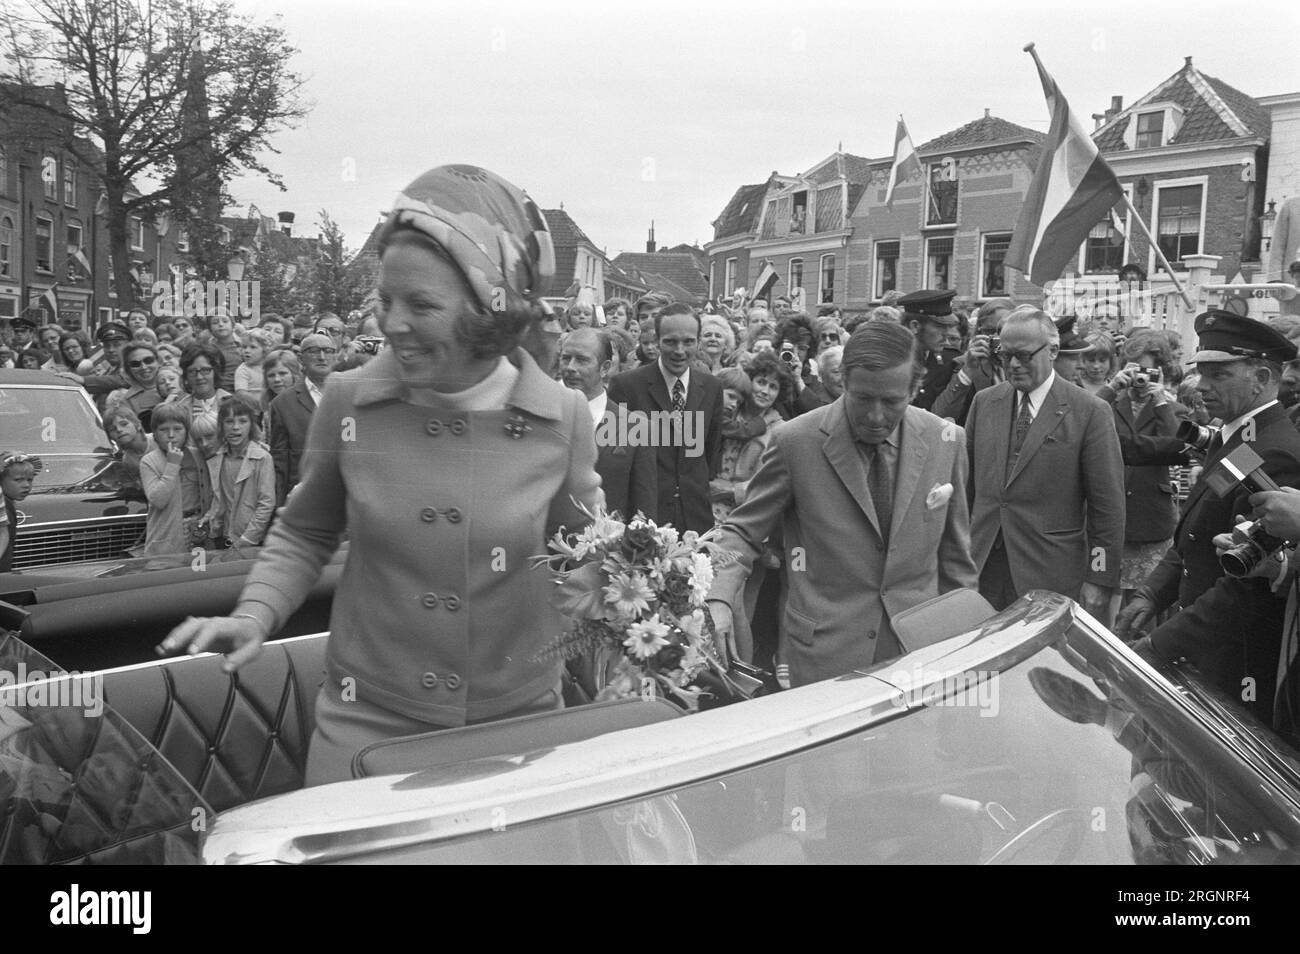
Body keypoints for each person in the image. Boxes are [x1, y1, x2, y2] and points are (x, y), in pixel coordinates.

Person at [160, 163, 599, 786]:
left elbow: (580, 558)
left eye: (420, 305)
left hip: (517, 728)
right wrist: (254, 613)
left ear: (488, 314)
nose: (391, 323)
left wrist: (619, 628)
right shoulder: (349, 400)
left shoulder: (562, 417)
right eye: (386, 300)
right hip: (367, 725)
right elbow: (305, 531)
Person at [707, 322, 978, 686]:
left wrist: (966, 644)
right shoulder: (796, 441)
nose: (877, 416)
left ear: (916, 388)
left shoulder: (947, 441)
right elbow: (744, 530)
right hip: (824, 658)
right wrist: (719, 598)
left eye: (893, 402)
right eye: (863, 399)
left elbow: (956, 560)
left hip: (919, 655)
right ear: (844, 381)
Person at [1119, 311, 1300, 723]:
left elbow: (1245, 586)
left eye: (1219, 375)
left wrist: (1158, 645)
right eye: (1202, 373)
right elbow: (1199, 530)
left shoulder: (1274, 450)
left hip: (1234, 662)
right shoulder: (1241, 440)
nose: (1201, 387)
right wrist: (1153, 592)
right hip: (1205, 646)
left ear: (1262, 377)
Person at [965, 307, 1125, 622]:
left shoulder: (1089, 412)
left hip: (1050, 573)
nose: (1012, 364)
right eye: (1004, 354)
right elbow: (967, 489)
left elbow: (1107, 507)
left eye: (1023, 356)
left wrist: (1099, 577)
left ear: (1053, 351)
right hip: (982, 568)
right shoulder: (985, 402)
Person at [607, 302, 725, 534]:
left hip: (695, 520)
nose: (679, 351)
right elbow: (617, 459)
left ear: (698, 341)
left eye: (688, 342)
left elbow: (710, 454)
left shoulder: (712, 387)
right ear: (657, 340)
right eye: (671, 341)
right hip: (645, 521)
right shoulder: (627, 386)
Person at [557, 327, 655, 520]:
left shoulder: (636, 427)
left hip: (608, 544)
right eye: (566, 358)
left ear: (605, 367)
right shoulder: (542, 417)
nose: (570, 367)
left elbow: (644, 507)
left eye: (582, 360)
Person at [268, 331, 334, 506]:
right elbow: (280, 464)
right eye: (314, 351)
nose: (322, 357)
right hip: (302, 499)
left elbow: (350, 441)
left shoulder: (347, 395)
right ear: (301, 358)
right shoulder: (282, 404)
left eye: (328, 351)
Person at [201, 396, 276, 551]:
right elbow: (219, 499)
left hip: (249, 541)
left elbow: (266, 503)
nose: (236, 427)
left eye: (242, 421)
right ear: (221, 426)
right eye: (229, 422)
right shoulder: (217, 458)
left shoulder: (262, 458)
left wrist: (247, 539)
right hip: (221, 536)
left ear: (251, 425)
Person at [139, 402, 210, 556]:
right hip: (166, 539)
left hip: (198, 534)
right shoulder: (148, 461)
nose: (171, 435)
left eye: (177, 429)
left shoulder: (197, 455)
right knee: (169, 577)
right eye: (163, 430)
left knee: (198, 573)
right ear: (155, 434)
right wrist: (172, 464)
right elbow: (158, 500)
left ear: (186, 431)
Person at [931, 298, 1013, 425]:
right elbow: (940, 419)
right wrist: (966, 373)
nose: (997, 338)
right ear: (979, 331)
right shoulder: (962, 364)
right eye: (990, 332)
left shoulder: (1026, 364)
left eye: (1003, 331)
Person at [900, 289, 961, 413]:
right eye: (939, 326)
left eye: (949, 327)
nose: (947, 334)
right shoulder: (890, 360)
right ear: (915, 326)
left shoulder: (949, 361)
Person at [170, 342, 231, 433]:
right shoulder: (180, 409)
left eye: (205, 370)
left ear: (216, 371)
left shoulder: (231, 402)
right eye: (192, 371)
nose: (199, 377)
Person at [0, 452, 39, 572]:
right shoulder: (5, 506)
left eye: (30, 480)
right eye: (18, 480)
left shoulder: (8, 503)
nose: (26, 485)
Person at [794, 344, 843, 414]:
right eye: (836, 372)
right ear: (821, 374)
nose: (844, 377)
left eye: (847, 371)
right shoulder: (813, 397)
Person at [234, 329, 271, 405]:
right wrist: (262, 404)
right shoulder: (243, 370)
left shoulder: (270, 366)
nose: (246, 350)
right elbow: (241, 393)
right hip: (253, 411)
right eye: (244, 347)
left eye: (252, 347)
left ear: (264, 350)